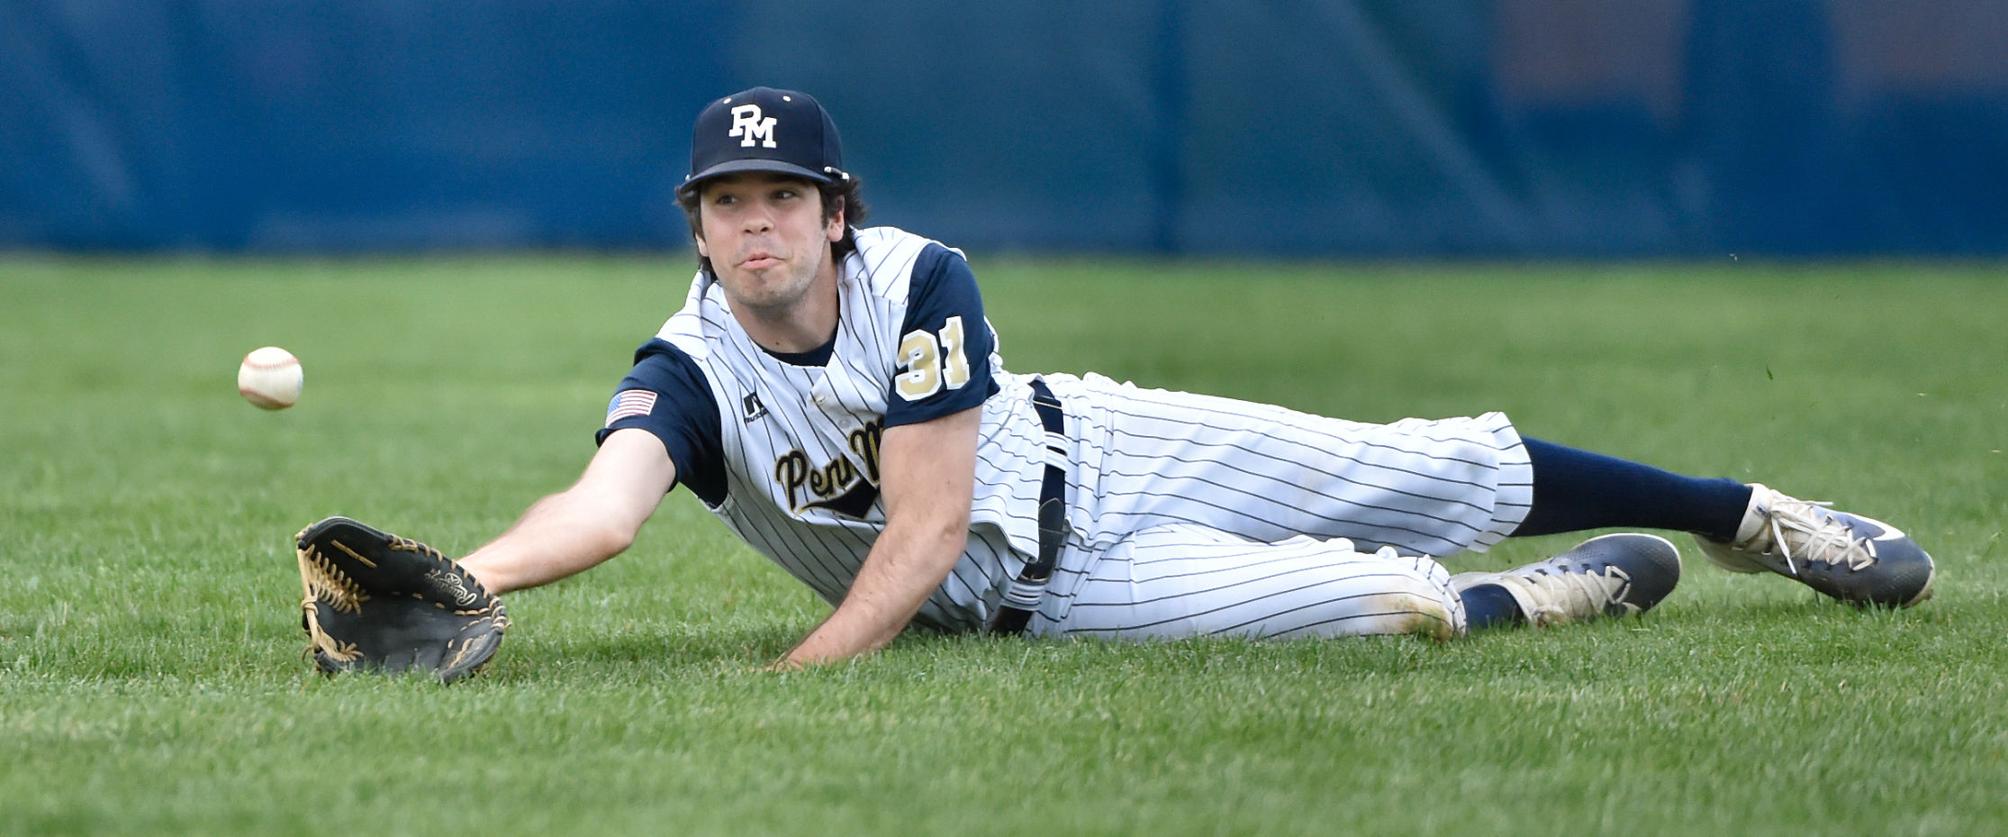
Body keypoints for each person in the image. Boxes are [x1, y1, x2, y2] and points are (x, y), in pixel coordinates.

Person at [455, 87, 1934, 669]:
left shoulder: (917, 281)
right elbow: (600, 510)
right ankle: (1527, 599)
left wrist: (809, 666)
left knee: (1432, 465)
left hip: (1104, 455)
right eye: (727, 200)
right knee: (1373, 604)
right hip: (1046, 598)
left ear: (833, 209)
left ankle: (1752, 515)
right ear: (698, 228)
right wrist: (463, 578)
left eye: (782, 194)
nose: (755, 219)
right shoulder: (691, 364)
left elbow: (920, 524)